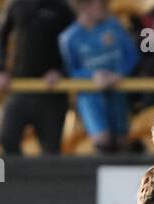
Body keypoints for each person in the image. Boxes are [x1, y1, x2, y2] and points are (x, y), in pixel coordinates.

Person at [57, 0, 139, 154]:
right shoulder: (69, 38)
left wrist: (119, 73)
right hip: (90, 96)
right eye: (99, 4)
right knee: (102, 140)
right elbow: (69, 71)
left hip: (117, 91)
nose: (104, 8)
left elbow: (132, 56)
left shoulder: (115, 27)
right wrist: (92, 76)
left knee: (122, 139)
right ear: (85, 7)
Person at [0, 0, 72, 155]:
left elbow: (75, 43)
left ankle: (45, 179)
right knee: (6, 137)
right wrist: (0, 69)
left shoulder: (61, 8)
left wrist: (61, 71)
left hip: (51, 91)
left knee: (50, 148)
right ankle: (17, 175)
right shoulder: (16, 5)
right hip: (20, 86)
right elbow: (1, 35)